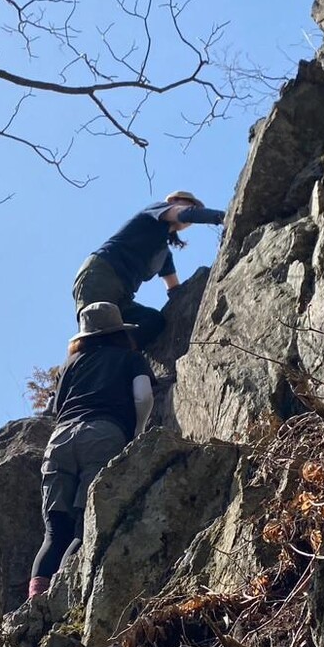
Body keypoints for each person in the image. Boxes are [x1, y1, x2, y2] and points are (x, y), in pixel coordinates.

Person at [27, 302, 154, 600]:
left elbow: (57, 408)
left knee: (54, 533)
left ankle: (35, 603)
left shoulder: (70, 366)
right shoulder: (130, 358)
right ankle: (63, 598)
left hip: (59, 442)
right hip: (103, 434)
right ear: (119, 330)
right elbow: (144, 395)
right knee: (85, 528)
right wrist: (136, 432)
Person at [72, 191, 226, 349]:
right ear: (173, 200)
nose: (194, 212)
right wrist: (225, 217)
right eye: (192, 206)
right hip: (102, 274)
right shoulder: (155, 210)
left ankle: (122, 358)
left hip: (122, 295)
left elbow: (174, 290)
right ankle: (84, 363)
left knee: (153, 321)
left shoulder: (162, 253)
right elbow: (185, 214)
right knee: (93, 336)